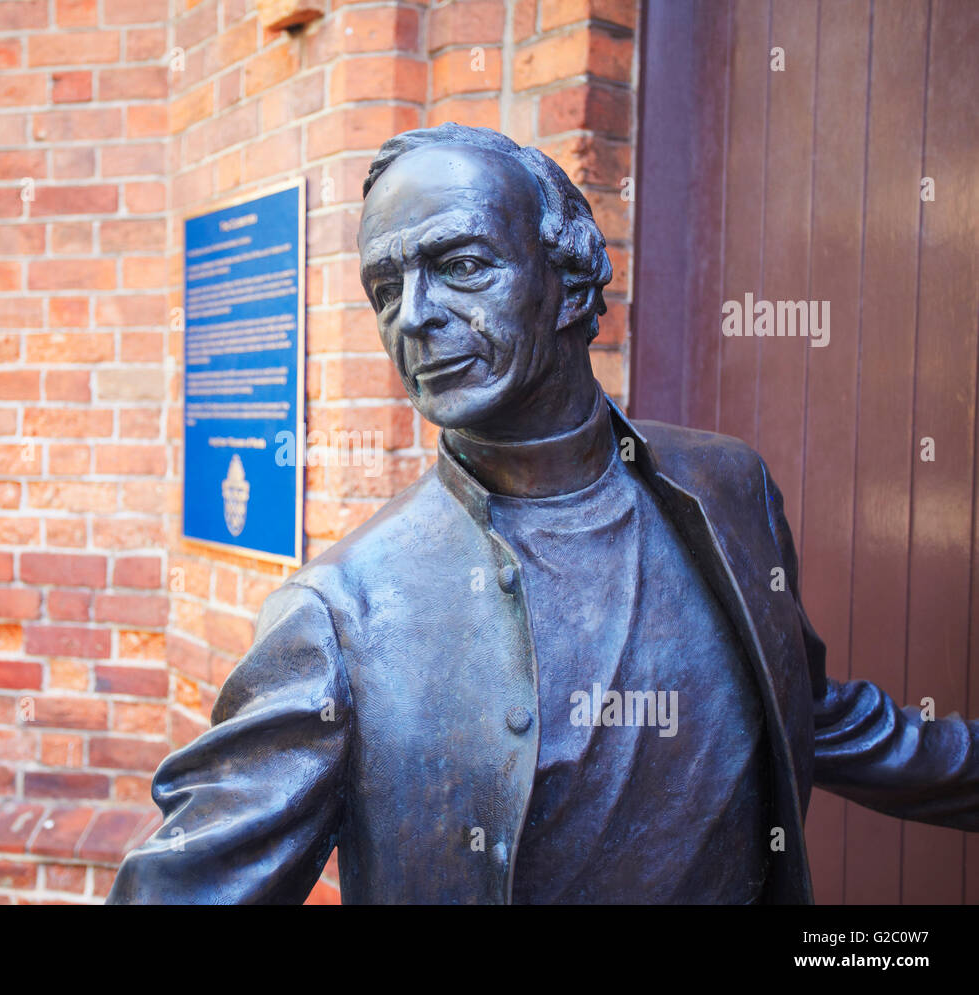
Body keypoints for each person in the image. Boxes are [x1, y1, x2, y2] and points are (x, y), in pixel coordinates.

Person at [109, 124, 979, 904]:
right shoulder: (343, 615)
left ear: (568, 283)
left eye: (460, 266)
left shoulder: (727, 489)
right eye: (384, 287)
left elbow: (813, 713)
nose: (413, 318)